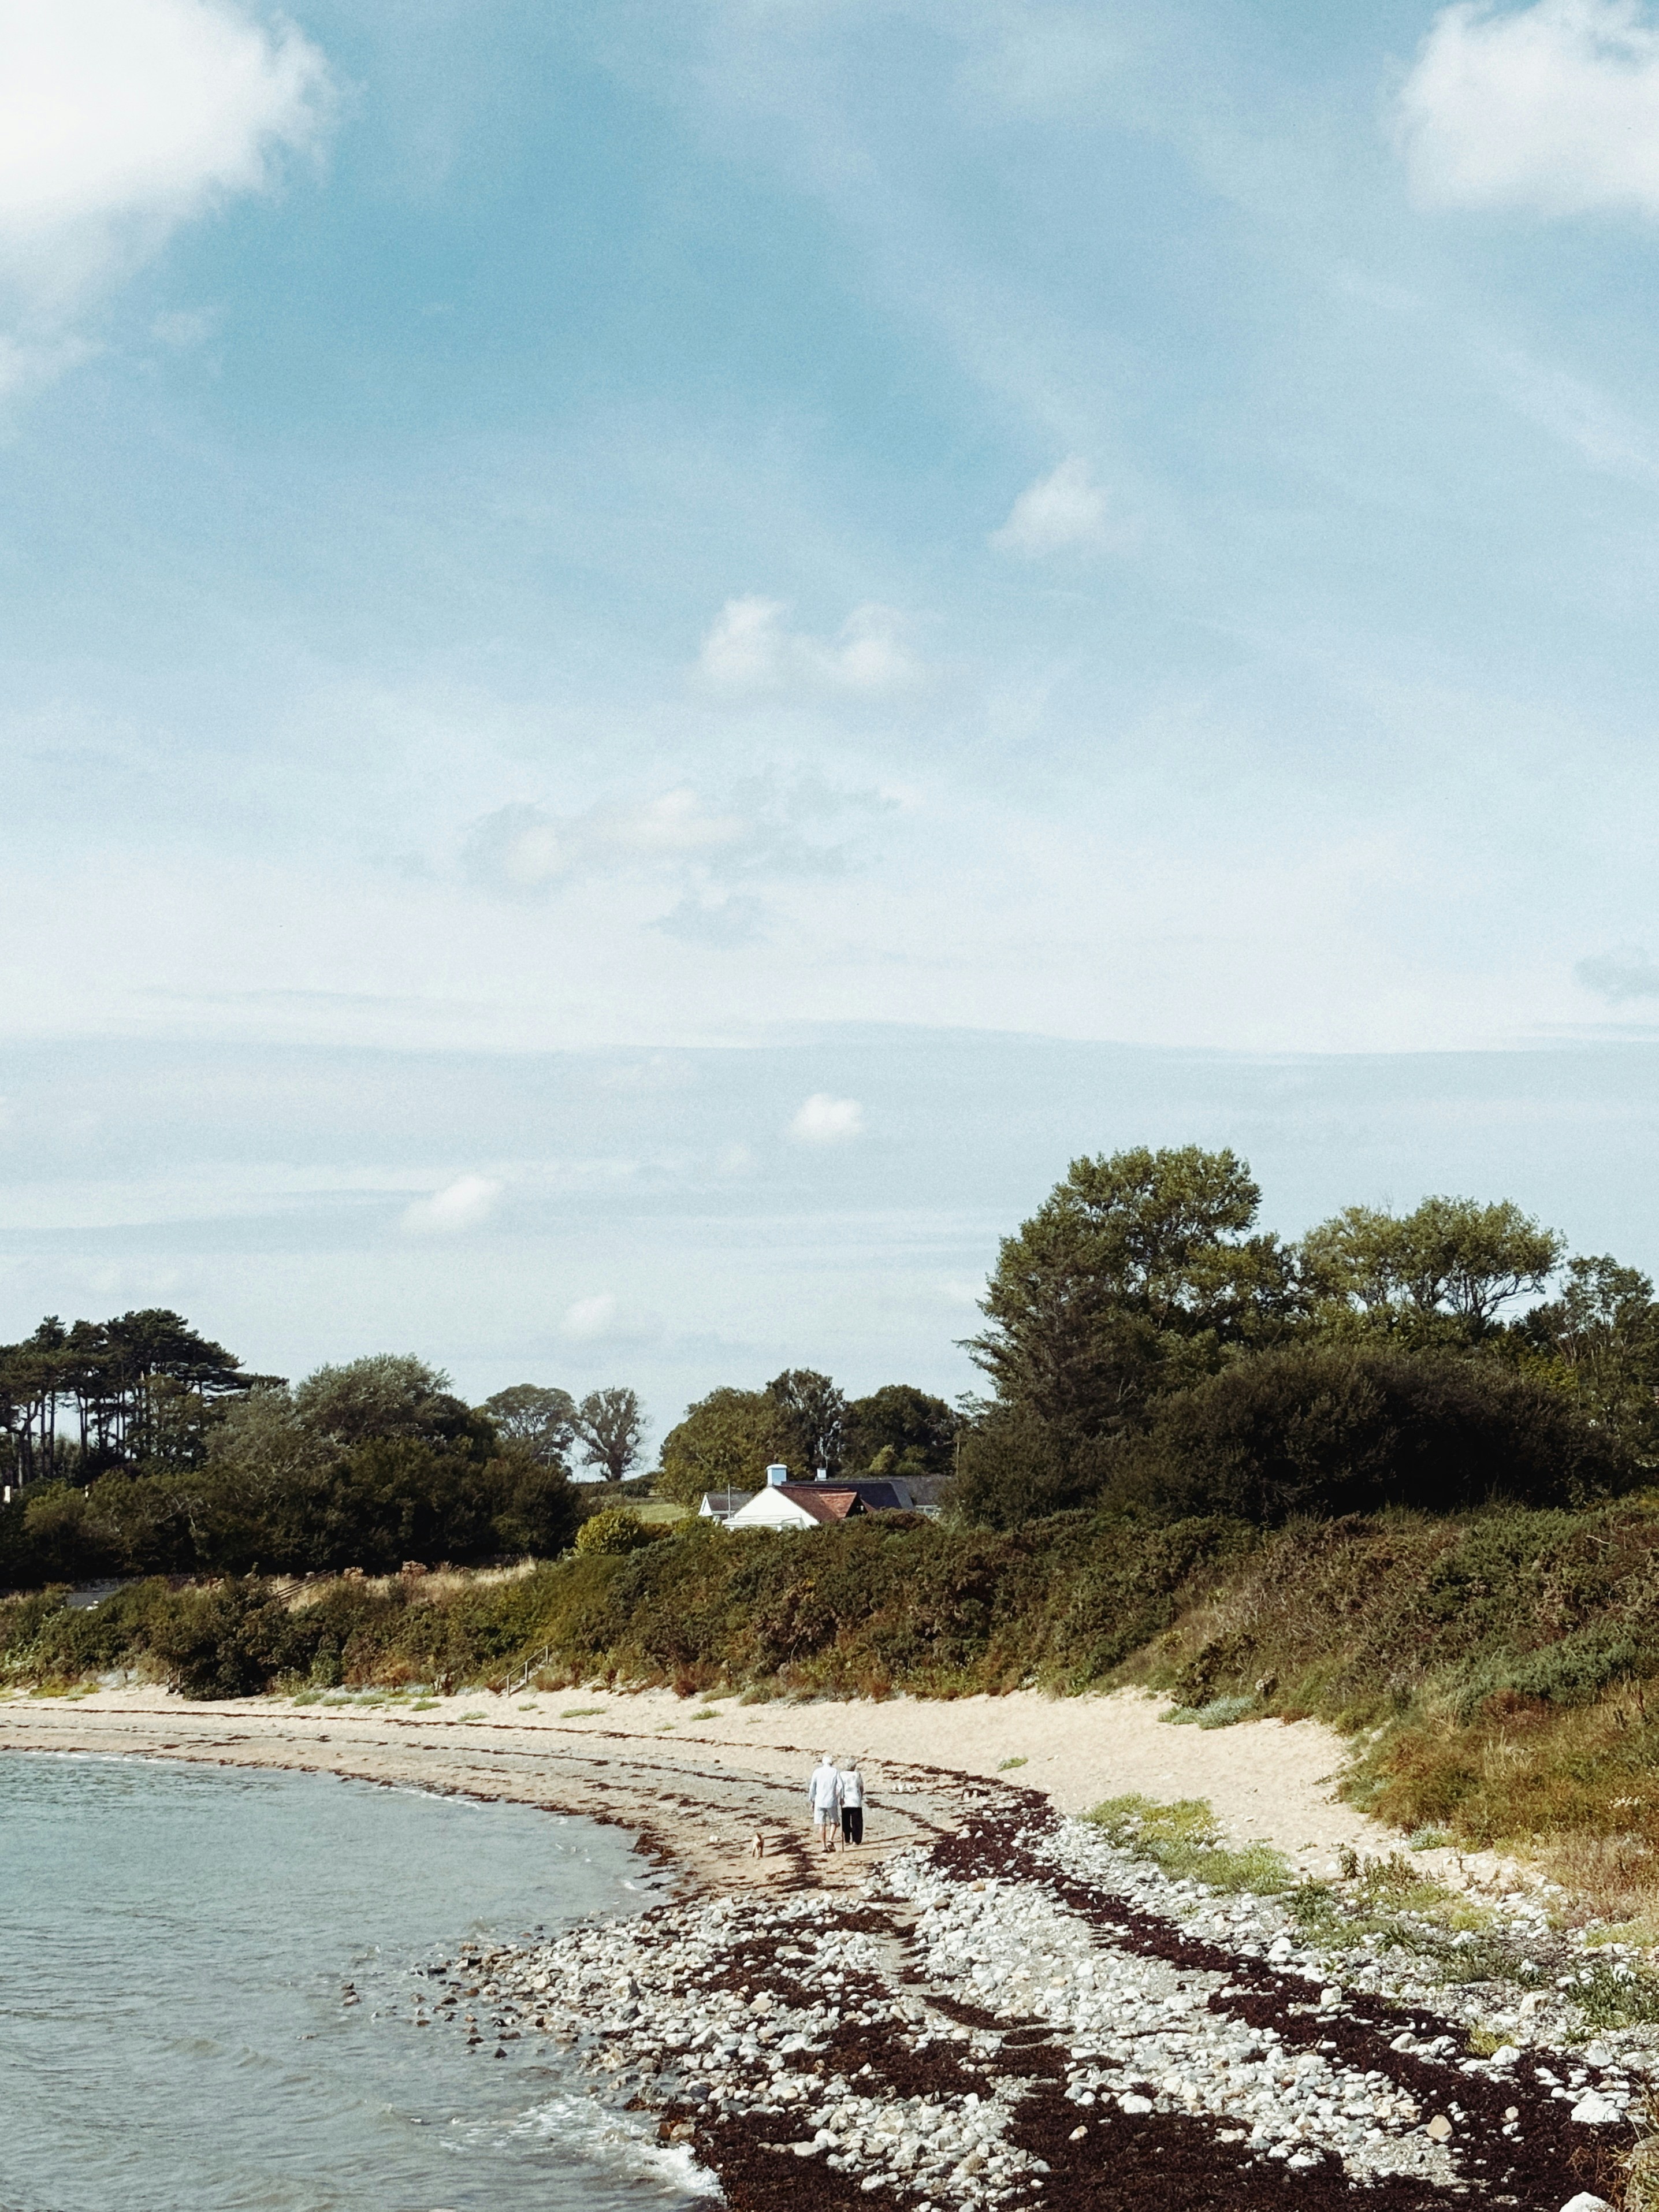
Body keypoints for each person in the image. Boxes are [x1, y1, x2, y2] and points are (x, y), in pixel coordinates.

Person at [808, 1753, 842, 1852]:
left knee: (821, 1824)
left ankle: (823, 1846)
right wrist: (840, 1797)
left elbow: (812, 1788)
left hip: (819, 1801)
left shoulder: (817, 1772)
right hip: (832, 1800)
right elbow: (840, 1786)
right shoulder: (835, 1771)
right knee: (834, 1821)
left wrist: (812, 1800)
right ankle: (830, 1840)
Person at [838, 1757, 865, 1848]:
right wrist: (861, 1795)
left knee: (846, 1821)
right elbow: (861, 1787)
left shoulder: (842, 1775)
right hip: (855, 1800)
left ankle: (847, 1839)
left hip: (845, 1800)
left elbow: (840, 1787)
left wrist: (840, 1798)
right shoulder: (857, 1775)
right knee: (857, 1821)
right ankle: (856, 1840)